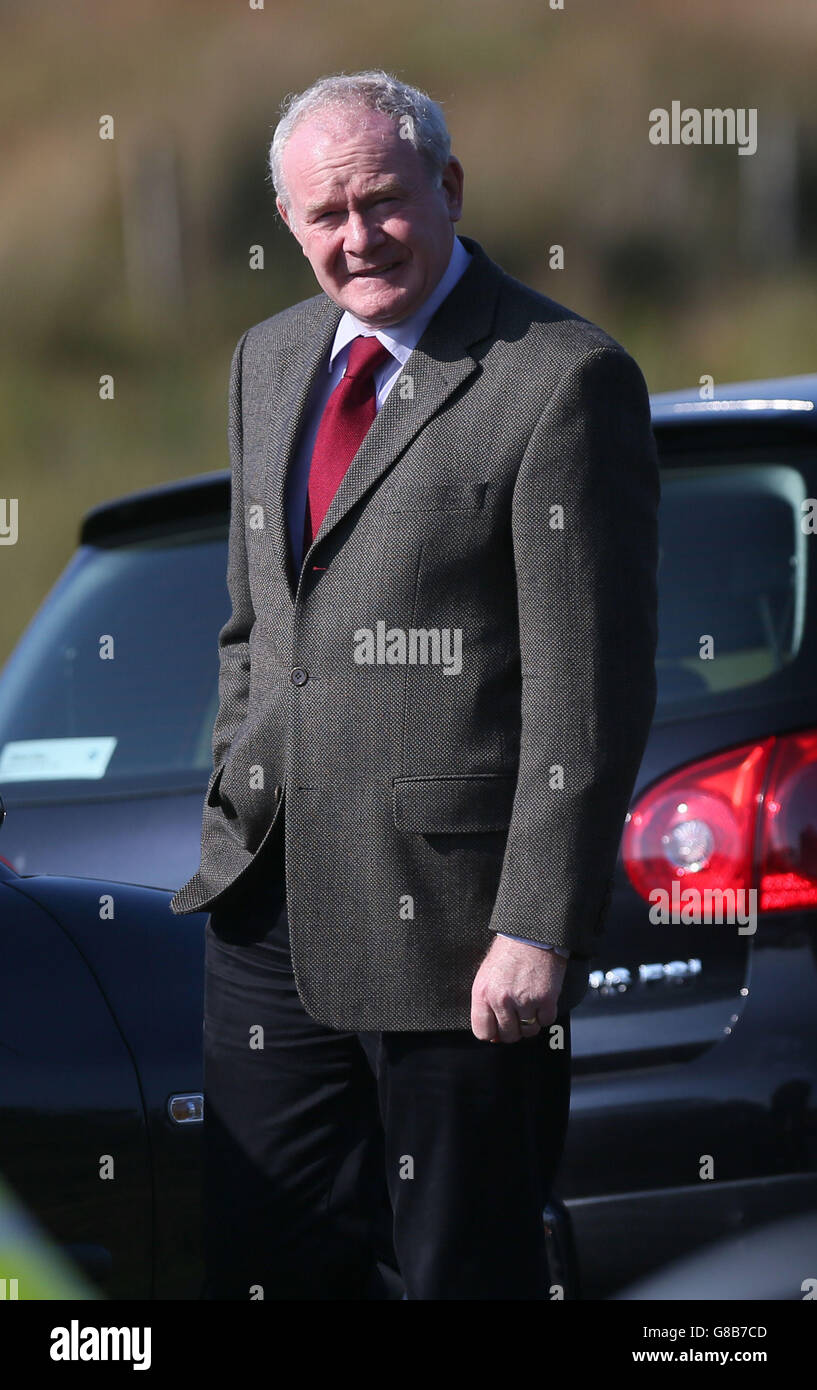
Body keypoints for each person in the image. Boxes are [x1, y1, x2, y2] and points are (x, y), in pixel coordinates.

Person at [170, 69, 660, 1300]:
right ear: (286, 224)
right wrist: (235, 793)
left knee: (464, 1268)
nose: (356, 238)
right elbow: (256, 624)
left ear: (447, 188)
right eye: (323, 218)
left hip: (456, 931)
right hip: (268, 908)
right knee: (266, 1259)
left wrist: (537, 920)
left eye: (381, 203)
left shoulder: (559, 376)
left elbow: (585, 682)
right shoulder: (268, 360)